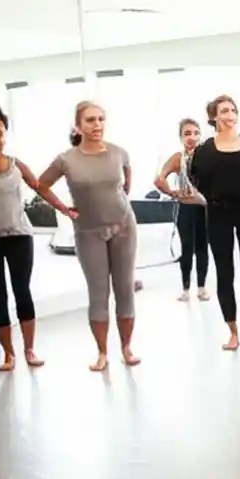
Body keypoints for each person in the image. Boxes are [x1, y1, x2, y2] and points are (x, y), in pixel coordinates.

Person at [0, 103, 73, 371]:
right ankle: (8, 354)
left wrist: (64, 208)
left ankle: (29, 349)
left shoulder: (17, 165)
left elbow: (41, 188)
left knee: (22, 291)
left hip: (19, 236)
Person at [37, 101, 138, 371]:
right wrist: (63, 208)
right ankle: (102, 352)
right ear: (78, 125)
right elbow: (41, 184)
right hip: (88, 231)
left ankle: (127, 348)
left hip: (124, 226)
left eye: (101, 119)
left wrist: (120, 199)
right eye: (91, 120)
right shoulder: (66, 159)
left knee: (125, 288)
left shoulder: (119, 152)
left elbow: (127, 179)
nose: (97, 125)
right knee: (98, 293)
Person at [189, 95, 240, 350]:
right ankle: (233, 332)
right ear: (214, 117)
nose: (230, 114)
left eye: (233, 110)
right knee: (224, 272)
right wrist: (212, 196)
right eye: (224, 110)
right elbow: (196, 177)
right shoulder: (205, 149)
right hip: (219, 213)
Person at [153, 118, 211, 302]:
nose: (192, 137)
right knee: (187, 248)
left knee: (202, 248)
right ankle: (186, 289)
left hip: (205, 209)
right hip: (186, 209)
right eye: (187, 133)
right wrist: (172, 192)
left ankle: (201, 288)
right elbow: (158, 179)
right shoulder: (178, 158)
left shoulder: (207, 156)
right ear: (181, 137)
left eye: (195, 133)